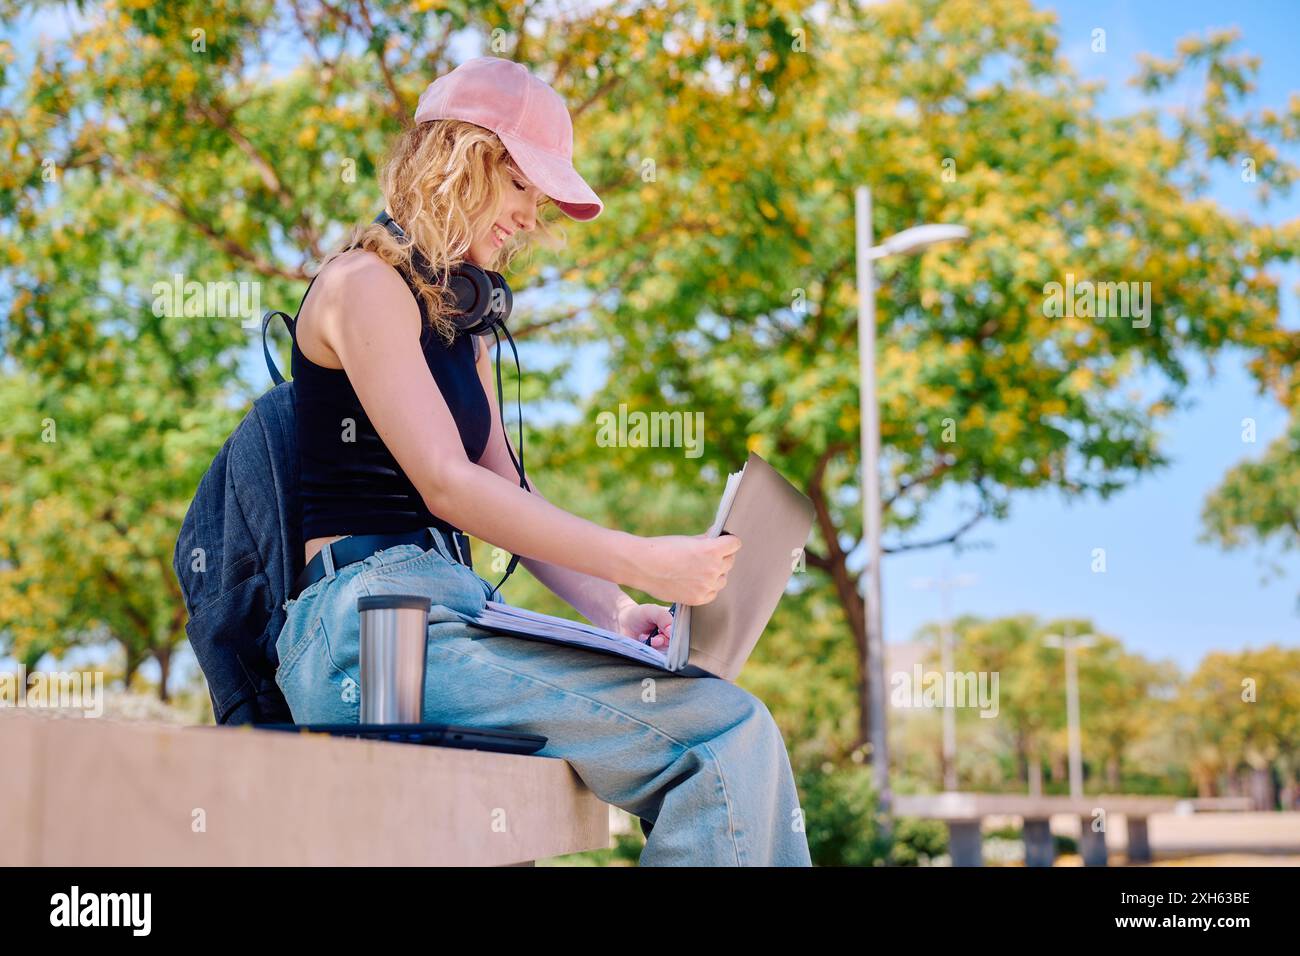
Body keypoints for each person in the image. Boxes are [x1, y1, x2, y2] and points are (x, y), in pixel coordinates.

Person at [273, 56, 812, 866]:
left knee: (719, 716)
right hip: (370, 629)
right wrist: (647, 558)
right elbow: (448, 486)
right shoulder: (361, 286)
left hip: (443, 613)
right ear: (461, 157)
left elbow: (506, 491)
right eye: (523, 186)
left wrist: (619, 609)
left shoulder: (465, 332)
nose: (532, 218)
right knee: (720, 732)